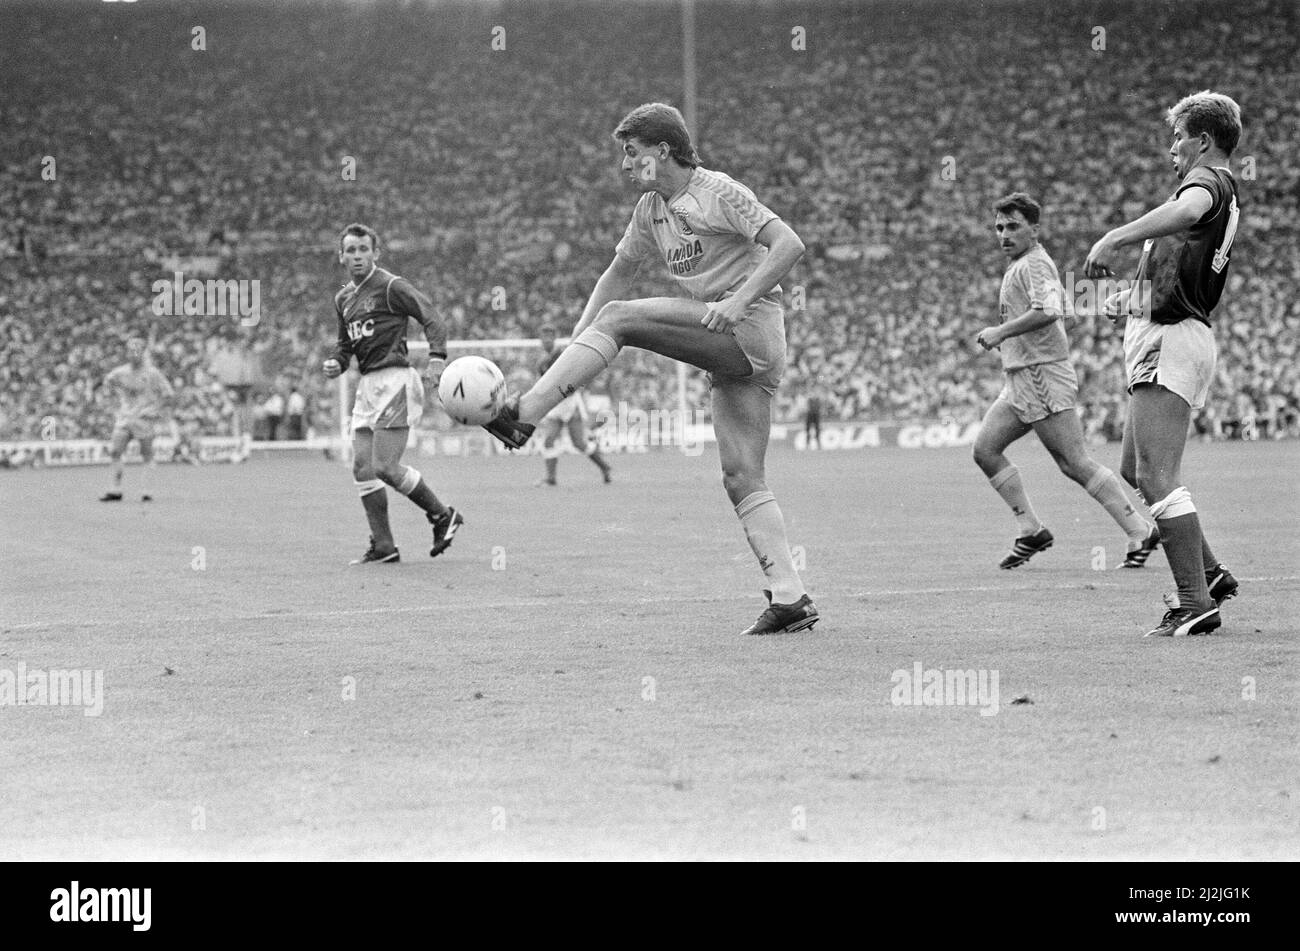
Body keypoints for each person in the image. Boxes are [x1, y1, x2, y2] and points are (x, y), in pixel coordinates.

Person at [481, 102, 817, 635]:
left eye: (631, 153)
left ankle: (524, 415)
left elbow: (789, 244)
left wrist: (737, 301)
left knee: (623, 320)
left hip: (750, 329)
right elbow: (617, 274)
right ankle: (791, 597)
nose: (624, 165)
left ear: (663, 150)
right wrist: (579, 344)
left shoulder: (718, 191)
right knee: (740, 477)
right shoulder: (649, 211)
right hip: (727, 352)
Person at [1085, 91, 1242, 637]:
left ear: (1202, 140)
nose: (1171, 148)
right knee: (1135, 469)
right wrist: (1128, 301)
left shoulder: (1207, 186)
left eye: (1178, 138)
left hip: (1172, 338)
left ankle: (1194, 602)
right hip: (1170, 330)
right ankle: (1210, 573)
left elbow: (1188, 208)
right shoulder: (1208, 194)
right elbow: (1175, 268)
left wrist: (1115, 235)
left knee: (1157, 475)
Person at [973, 192, 1157, 569]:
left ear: (1034, 229)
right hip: (1023, 377)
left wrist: (1002, 332)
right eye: (999, 228)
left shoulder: (1034, 265)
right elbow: (1067, 316)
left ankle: (1140, 530)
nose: (1004, 234)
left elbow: (1051, 311)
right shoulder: (1027, 264)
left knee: (1074, 462)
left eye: (1013, 226)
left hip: (1042, 375)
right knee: (985, 450)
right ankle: (1031, 530)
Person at [323, 222, 464, 564]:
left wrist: (436, 359)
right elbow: (346, 347)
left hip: (396, 380)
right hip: (368, 385)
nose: (357, 256)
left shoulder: (389, 286)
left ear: (375, 253)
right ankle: (385, 546)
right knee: (361, 466)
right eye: (351, 250)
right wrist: (337, 363)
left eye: (363, 249)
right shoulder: (343, 299)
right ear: (341, 256)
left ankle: (442, 515)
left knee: (385, 466)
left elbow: (430, 316)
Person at [533, 323, 612, 486]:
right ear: (540, 340)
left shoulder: (562, 356)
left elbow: (576, 375)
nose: (546, 340)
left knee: (579, 443)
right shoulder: (541, 363)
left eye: (549, 336)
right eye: (543, 337)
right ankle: (551, 477)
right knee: (549, 440)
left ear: (554, 338)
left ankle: (605, 467)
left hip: (569, 403)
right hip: (554, 405)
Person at [99, 337, 174, 502]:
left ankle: (147, 491)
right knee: (115, 452)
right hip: (125, 418)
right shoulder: (120, 372)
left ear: (143, 353)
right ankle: (115, 490)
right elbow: (107, 384)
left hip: (143, 420)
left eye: (137, 351)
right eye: (131, 351)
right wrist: (112, 402)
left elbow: (168, 394)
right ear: (127, 353)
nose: (134, 354)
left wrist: (155, 409)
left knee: (147, 455)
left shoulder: (152, 373)